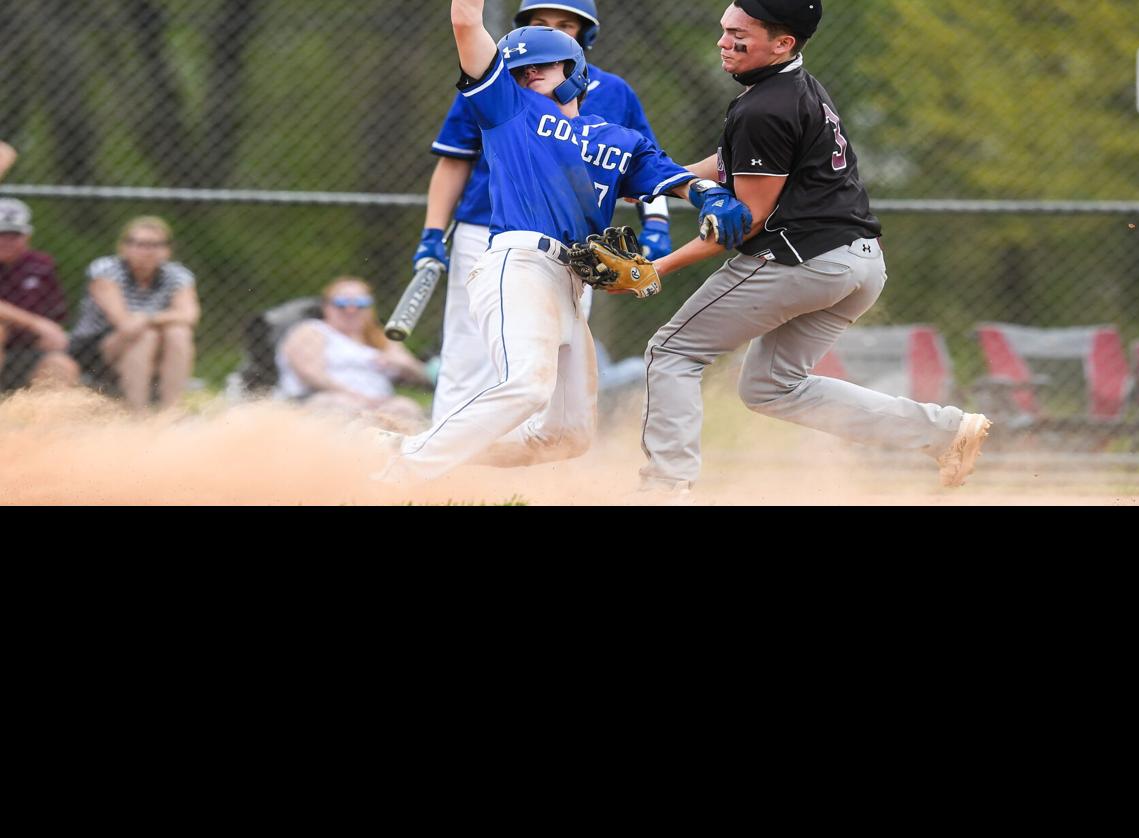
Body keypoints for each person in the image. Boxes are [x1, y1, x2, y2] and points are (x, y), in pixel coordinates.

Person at [633, 1, 992, 496]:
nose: (723, 42)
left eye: (739, 33)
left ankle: (665, 485)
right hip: (859, 263)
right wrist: (660, 181)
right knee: (770, 387)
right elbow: (733, 161)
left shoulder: (764, 106)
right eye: (723, 30)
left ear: (783, 43)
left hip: (799, 260)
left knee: (672, 352)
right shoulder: (797, 87)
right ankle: (942, 431)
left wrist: (657, 267)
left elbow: (746, 219)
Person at [378, 3, 748, 482]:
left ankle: (412, 451)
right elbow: (466, 22)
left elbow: (669, 177)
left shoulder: (617, 137)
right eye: (520, 68)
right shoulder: (510, 111)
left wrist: (710, 196)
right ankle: (396, 474)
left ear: (574, 70)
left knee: (568, 435)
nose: (529, 73)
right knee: (527, 386)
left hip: (573, 279)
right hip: (520, 264)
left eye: (542, 65)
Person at [414, 0, 674, 432]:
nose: (552, 32)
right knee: (468, 350)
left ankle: (523, 462)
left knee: (553, 356)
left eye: (565, 25)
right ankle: (447, 460)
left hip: (577, 244)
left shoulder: (615, 92)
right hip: (490, 228)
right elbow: (455, 160)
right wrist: (432, 232)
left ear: (584, 37)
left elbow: (645, 162)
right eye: (540, 24)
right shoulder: (499, 80)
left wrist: (658, 222)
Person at [66, 216, 200, 410]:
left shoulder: (177, 275)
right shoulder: (105, 270)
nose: (147, 251)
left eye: (155, 245)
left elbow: (189, 316)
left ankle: (170, 412)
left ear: (167, 250)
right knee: (145, 336)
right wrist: (157, 320)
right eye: (140, 244)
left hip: (148, 342)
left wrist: (149, 317)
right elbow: (125, 325)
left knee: (178, 332)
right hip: (97, 348)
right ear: (123, 247)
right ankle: (137, 415)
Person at [275, 276, 431, 431]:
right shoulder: (312, 331)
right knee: (343, 406)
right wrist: (356, 396)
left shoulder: (382, 339)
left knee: (405, 407)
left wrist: (403, 364)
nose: (351, 310)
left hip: (377, 403)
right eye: (342, 304)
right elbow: (310, 374)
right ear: (326, 307)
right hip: (321, 398)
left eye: (361, 304)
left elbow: (422, 375)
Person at [0, 198, 80, 392]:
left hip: (30, 349)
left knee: (61, 366)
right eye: (1, 234)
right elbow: (43, 325)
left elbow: (53, 321)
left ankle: (46, 420)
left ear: (27, 236)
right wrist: (35, 324)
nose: (6, 241)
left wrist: (47, 333)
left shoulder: (41, 265)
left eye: (14, 235)